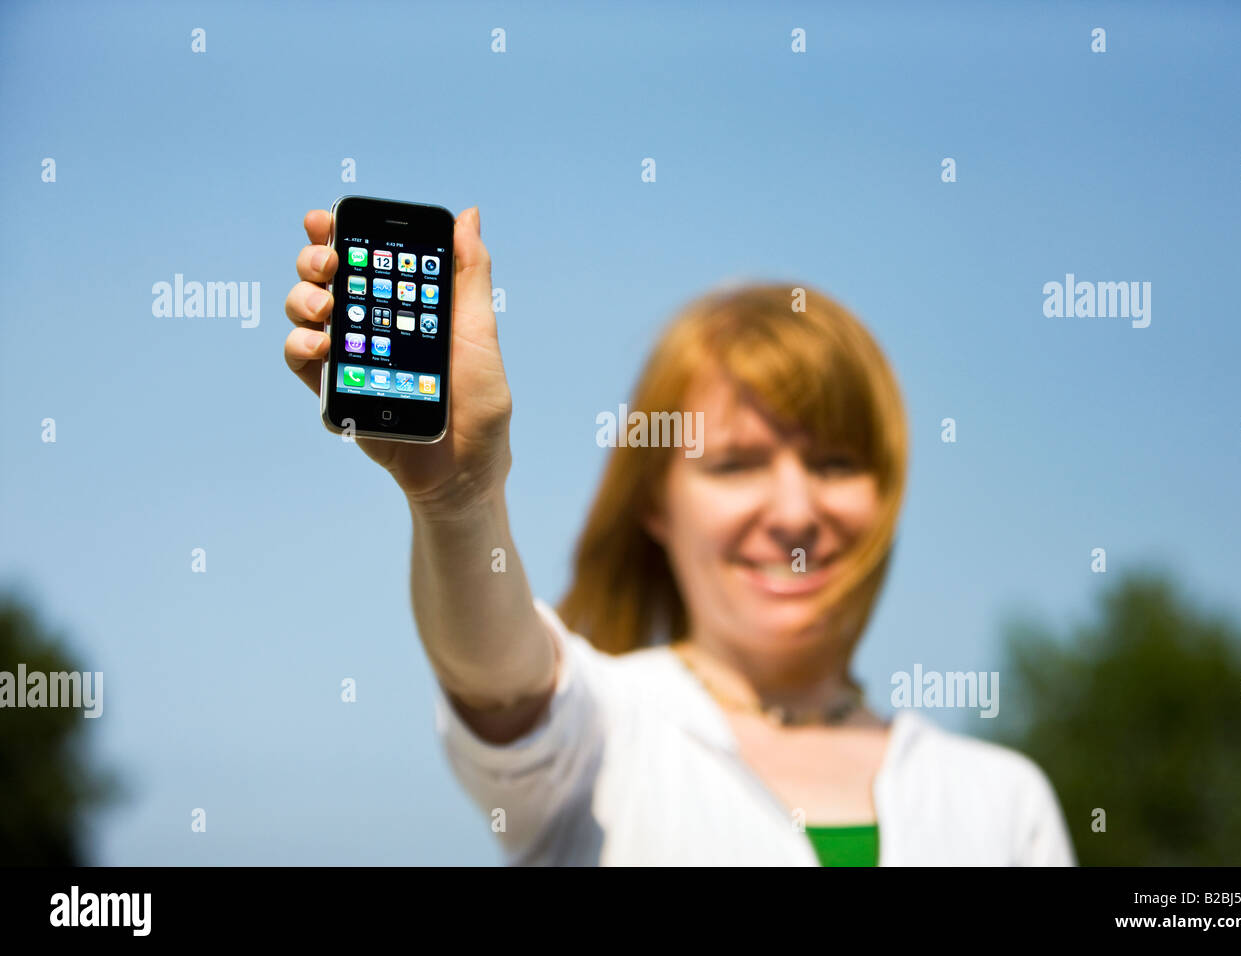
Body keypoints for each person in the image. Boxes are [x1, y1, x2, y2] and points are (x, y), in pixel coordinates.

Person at [284, 205, 1077, 866]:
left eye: (836, 462)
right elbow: (500, 680)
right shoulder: (601, 734)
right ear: (655, 504)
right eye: (735, 465)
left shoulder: (1003, 802)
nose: (796, 511)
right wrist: (456, 495)